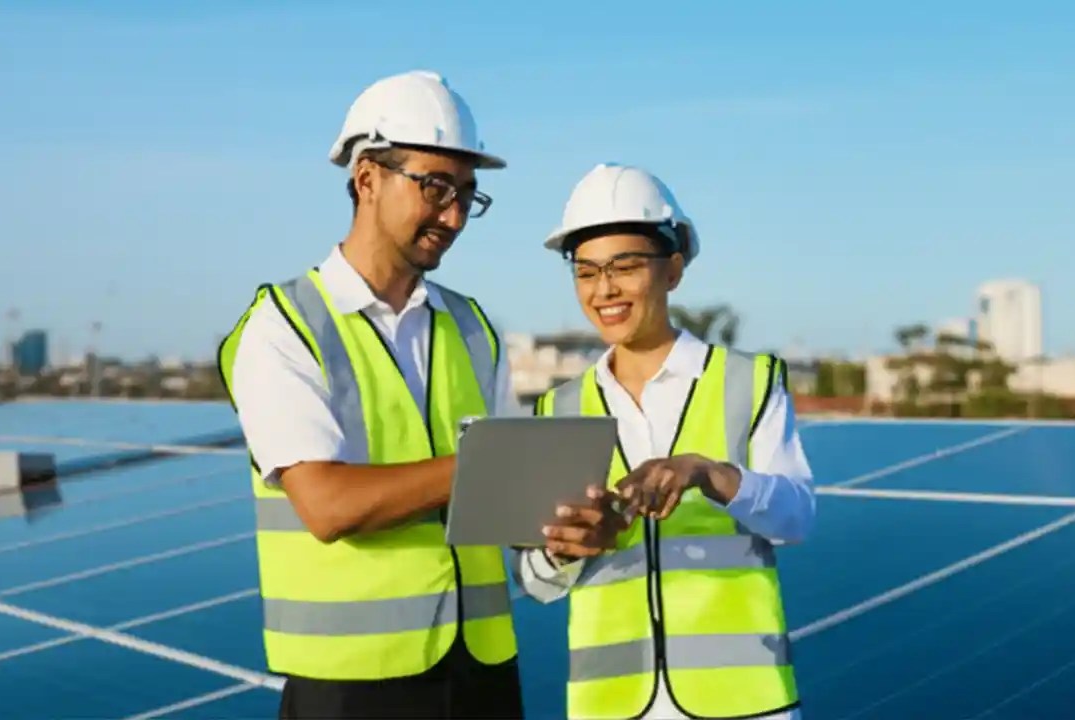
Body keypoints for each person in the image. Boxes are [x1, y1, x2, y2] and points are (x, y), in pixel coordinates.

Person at [217, 70, 526, 719]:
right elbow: (327, 505)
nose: (455, 214)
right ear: (366, 179)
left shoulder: (477, 329)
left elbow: (509, 512)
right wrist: (488, 467)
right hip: (352, 690)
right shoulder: (282, 326)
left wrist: (566, 527)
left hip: (484, 679)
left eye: (469, 194)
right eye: (435, 187)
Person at [514, 163, 817, 720]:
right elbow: (534, 583)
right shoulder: (556, 409)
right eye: (585, 272)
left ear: (673, 269)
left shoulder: (749, 381)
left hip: (744, 705)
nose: (604, 289)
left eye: (624, 266)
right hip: (609, 705)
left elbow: (796, 519)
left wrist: (710, 473)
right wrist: (567, 547)